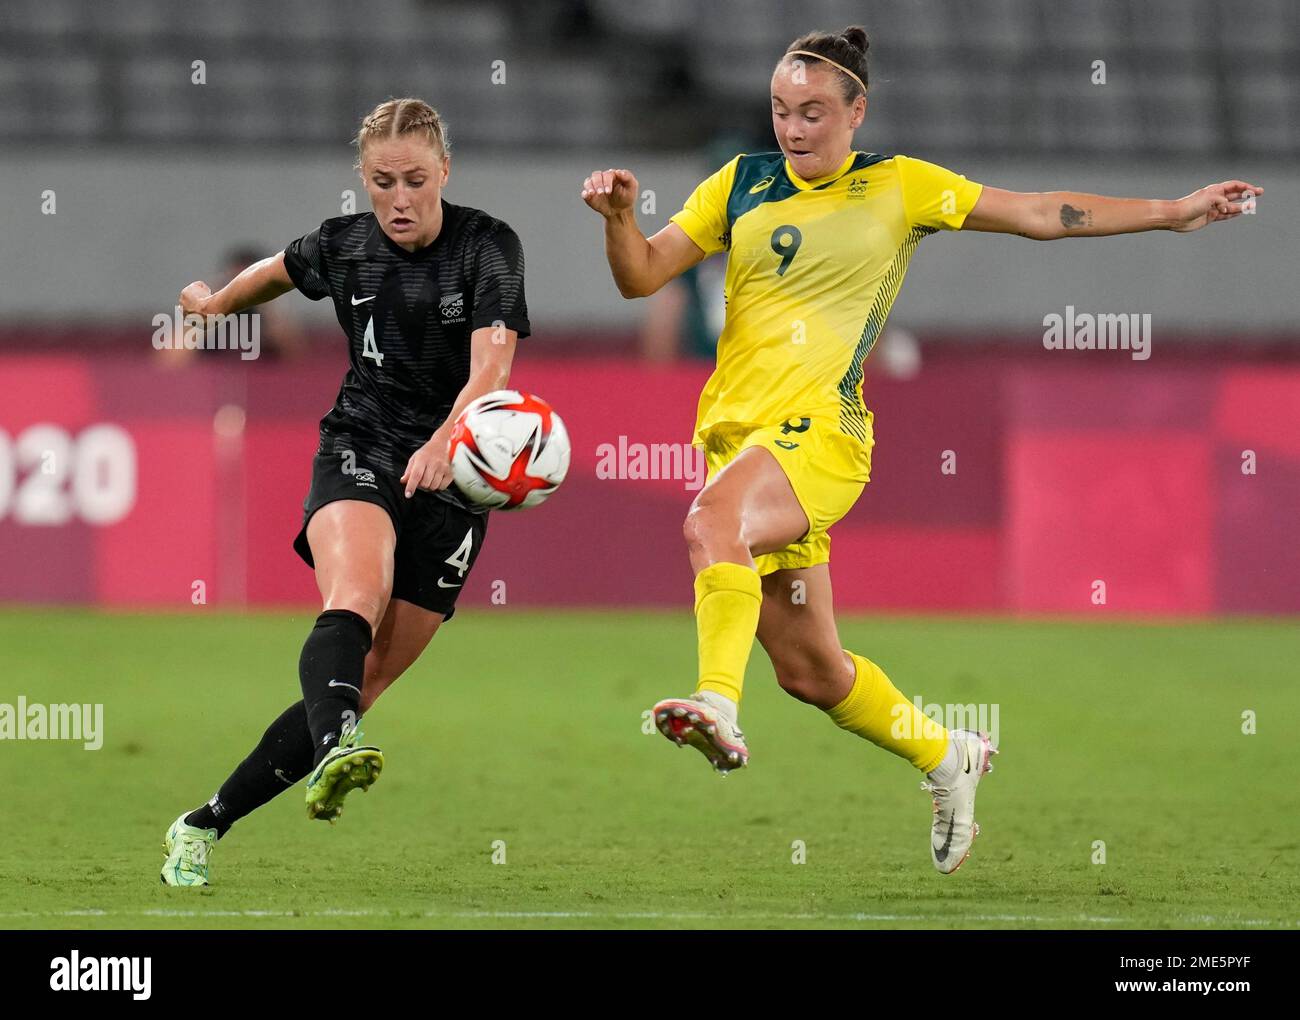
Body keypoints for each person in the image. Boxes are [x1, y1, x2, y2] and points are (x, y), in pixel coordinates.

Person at [581, 26, 1260, 874]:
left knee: (709, 523)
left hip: (824, 434)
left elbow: (1039, 214)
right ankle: (948, 757)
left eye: (816, 114)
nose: (795, 130)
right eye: (783, 112)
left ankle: (717, 704)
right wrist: (617, 221)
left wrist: (1172, 212)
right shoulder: (740, 183)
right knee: (814, 672)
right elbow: (642, 275)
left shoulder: (901, 189)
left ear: (857, 112)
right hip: (742, 438)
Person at [161, 97, 530, 886]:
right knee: (357, 592)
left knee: (363, 684)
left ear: (446, 172)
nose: (399, 199)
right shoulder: (345, 246)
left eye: (416, 181)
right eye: (382, 182)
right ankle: (337, 748)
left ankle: (202, 824)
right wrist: (217, 303)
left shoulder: (486, 247)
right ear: (363, 180)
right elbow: (278, 273)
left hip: (455, 478)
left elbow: (492, 369)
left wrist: (445, 443)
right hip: (360, 445)